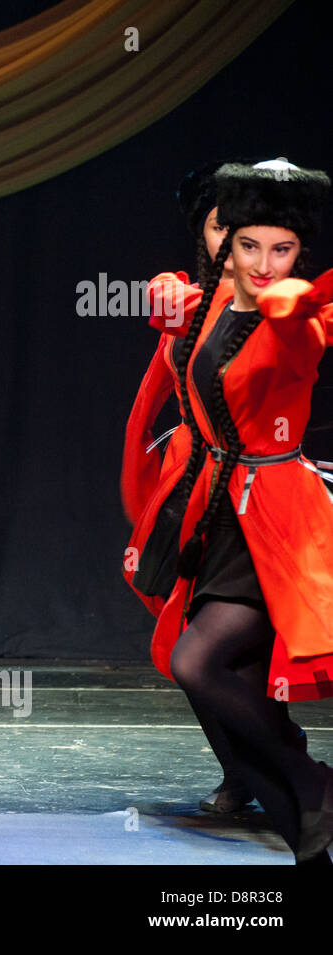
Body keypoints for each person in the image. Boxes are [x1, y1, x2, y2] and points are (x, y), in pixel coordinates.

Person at [130, 158, 333, 864]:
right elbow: (178, 320)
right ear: (227, 243)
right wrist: (164, 299)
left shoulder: (298, 317)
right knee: (240, 699)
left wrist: (295, 310)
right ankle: (307, 817)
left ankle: (314, 779)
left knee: (198, 661)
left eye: (281, 250)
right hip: (221, 513)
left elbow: (306, 337)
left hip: (274, 519)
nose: (264, 263)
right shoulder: (218, 302)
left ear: (300, 252)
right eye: (249, 245)